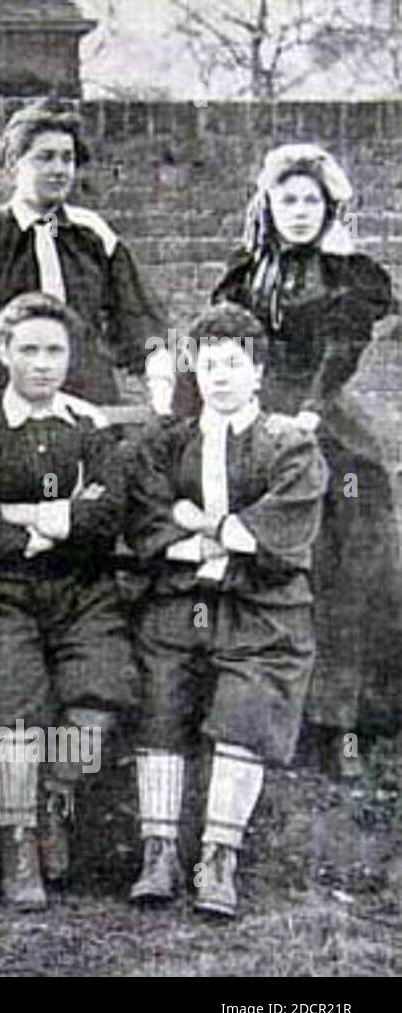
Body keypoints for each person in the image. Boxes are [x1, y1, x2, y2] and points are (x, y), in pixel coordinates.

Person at [198, 143, 400, 778]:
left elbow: (341, 351)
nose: (300, 210)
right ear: (268, 205)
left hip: (329, 432)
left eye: (312, 199)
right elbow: (218, 342)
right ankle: (261, 720)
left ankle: (340, 725)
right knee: (271, 569)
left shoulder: (351, 277)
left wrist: (308, 415)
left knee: (349, 570)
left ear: (329, 206)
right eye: (288, 199)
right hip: (259, 426)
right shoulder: (243, 272)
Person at [0, 292, 139, 910]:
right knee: (17, 700)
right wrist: (64, 519)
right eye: (28, 350)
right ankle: (17, 841)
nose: (43, 364)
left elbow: (109, 515)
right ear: (3, 353)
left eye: (55, 350)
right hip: (1, 595)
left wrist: (28, 516)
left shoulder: (88, 425)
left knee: (100, 689)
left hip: (83, 591)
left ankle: (55, 796)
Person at [127, 305, 325, 918]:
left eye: (234, 364)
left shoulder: (288, 442)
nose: (220, 377)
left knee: (247, 702)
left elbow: (272, 533)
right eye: (209, 365)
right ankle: (158, 852)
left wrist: (206, 522)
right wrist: (212, 533)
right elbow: (149, 517)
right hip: (184, 600)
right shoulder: (170, 443)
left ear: (258, 371)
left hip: (261, 603)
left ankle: (220, 857)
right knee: (162, 694)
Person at [0, 98, 169, 410]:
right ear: (15, 163)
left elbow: (137, 312)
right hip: (8, 391)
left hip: (87, 390)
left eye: (67, 159)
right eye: (45, 158)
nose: (58, 170)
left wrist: (158, 376)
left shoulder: (92, 232)